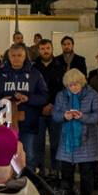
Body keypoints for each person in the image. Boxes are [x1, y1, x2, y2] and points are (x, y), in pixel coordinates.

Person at [0, 43, 48, 163]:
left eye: (20, 55)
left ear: (25, 56)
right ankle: (7, 180)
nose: (16, 58)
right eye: (13, 55)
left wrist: (28, 99)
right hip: (4, 123)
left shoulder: (35, 74)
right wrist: (1, 100)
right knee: (5, 154)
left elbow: (44, 97)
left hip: (28, 122)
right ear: (8, 56)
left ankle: (27, 180)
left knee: (28, 155)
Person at [53, 69, 98, 195]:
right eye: (70, 85)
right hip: (67, 141)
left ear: (82, 82)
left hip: (87, 140)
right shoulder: (61, 96)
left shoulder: (93, 95)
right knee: (66, 172)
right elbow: (55, 115)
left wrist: (83, 117)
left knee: (86, 172)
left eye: (76, 84)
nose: (73, 87)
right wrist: (64, 116)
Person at [32, 39, 66, 174]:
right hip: (38, 111)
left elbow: (62, 90)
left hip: (56, 110)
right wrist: (42, 106)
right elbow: (32, 90)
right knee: (38, 144)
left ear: (52, 49)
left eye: (47, 48)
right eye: (42, 48)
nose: (45, 51)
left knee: (56, 144)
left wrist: (52, 104)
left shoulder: (61, 66)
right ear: (38, 50)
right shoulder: (33, 68)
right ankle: (39, 170)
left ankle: (56, 171)